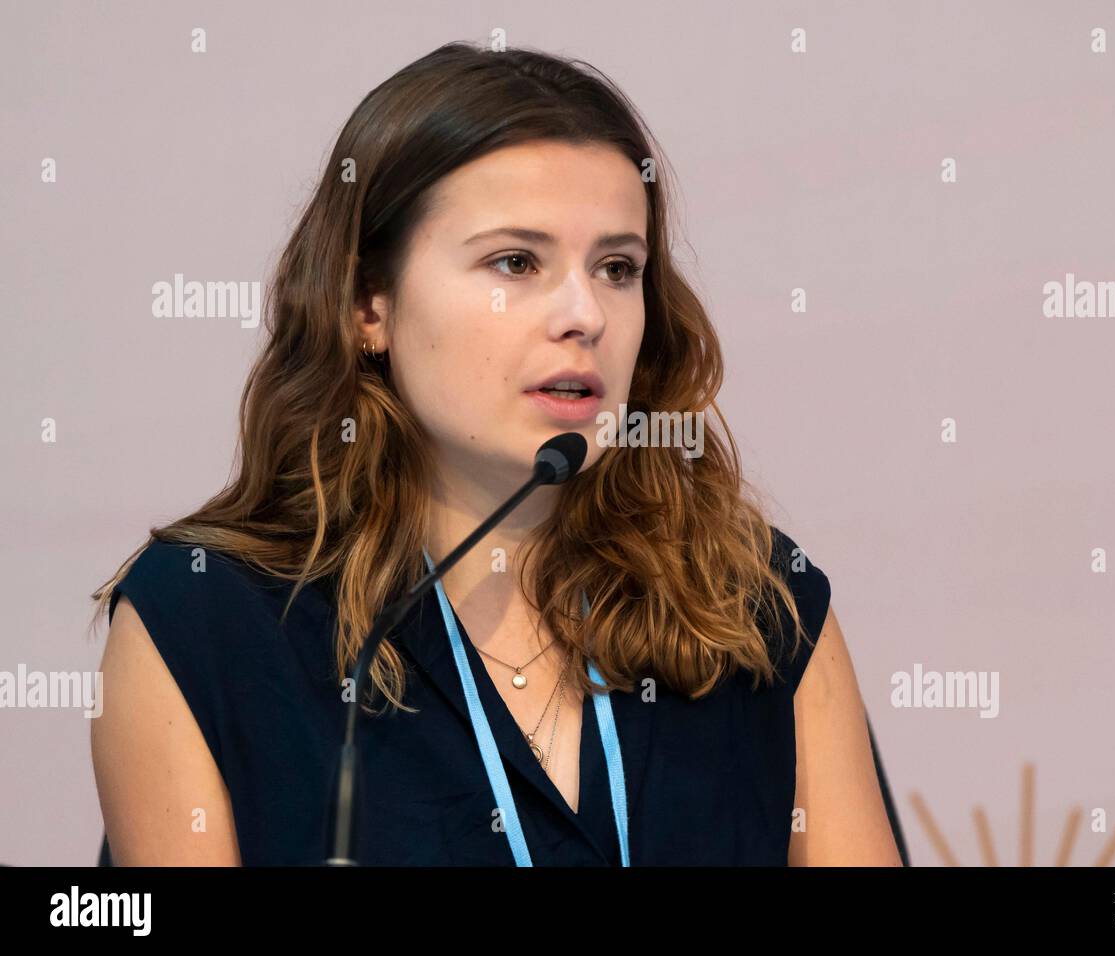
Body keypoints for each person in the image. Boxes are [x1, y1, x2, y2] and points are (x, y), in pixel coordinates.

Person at [89, 41, 902, 867]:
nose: (585, 313)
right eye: (516, 261)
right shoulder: (208, 620)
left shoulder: (755, 604)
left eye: (618, 268)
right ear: (368, 302)